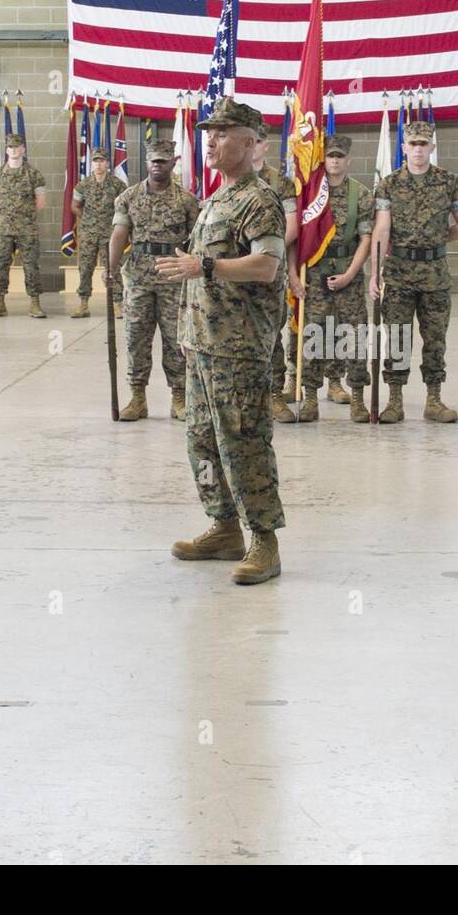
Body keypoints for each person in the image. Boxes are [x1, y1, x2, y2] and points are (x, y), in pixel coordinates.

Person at [158, 98, 286, 585]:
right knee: (202, 442)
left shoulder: (259, 200)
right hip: (202, 344)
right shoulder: (214, 199)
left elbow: (266, 266)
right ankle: (224, 528)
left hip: (238, 348)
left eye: (224, 132)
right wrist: (187, 333)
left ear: (251, 142)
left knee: (244, 443)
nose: (210, 139)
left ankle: (264, 542)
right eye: (208, 131)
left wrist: (204, 265)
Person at [369, 121, 458, 423]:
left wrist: (437, 241)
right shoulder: (389, 184)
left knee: (435, 338)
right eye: (412, 144)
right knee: (398, 336)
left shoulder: (448, 182)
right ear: (404, 148)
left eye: (423, 144)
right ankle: (395, 401)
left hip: (435, 273)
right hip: (399, 272)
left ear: (432, 148)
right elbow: (382, 228)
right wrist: (375, 273)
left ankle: (434, 400)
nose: (418, 149)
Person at [284, 134, 375, 422]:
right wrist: (292, 276)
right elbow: (294, 240)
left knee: (355, 335)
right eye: (330, 156)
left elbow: (367, 238)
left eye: (339, 156)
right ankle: (310, 398)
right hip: (314, 272)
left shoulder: (359, 194)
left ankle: (358, 398)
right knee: (313, 336)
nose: (334, 160)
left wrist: (350, 274)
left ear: (348, 160)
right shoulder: (310, 195)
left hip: (349, 271)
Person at [110, 139, 201, 422]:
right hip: (138, 276)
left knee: (176, 339)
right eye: (152, 161)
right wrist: (110, 269)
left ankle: (178, 397)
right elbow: (119, 234)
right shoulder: (129, 196)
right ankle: (137, 398)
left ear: (173, 163)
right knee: (136, 335)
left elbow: (197, 241)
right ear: (146, 162)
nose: (156, 166)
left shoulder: (186, 200)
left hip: (174, 276)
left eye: (162, 161)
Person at [254, 125, 298, 424]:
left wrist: (263, 254)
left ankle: (275, 396)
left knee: (271, 336)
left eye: (257, 141)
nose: (252, 147)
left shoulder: (280, 183)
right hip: (234, 272)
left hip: (269, 271)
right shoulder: (224, 178)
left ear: (265, 145)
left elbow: (292, 227)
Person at [0, 133, 47, 318]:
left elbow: (41, 202)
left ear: (23, 150)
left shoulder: (34, 174)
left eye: (17, 147)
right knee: (0, 265)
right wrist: (10, 214)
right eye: (10, 147)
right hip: (4, 228)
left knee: (31, 265)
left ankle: (34, 303)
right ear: (6, 150)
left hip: (27, 228)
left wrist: (23, 214)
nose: (13, 150)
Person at [70, 148, 126, 319]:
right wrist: (88, 219)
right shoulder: (83, 185)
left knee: (113, 268)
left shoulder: (117, 184)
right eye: (95, 161)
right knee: (85, 268)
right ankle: (83, 304)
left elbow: (125, 208)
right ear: (91, 164)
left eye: (102, 161)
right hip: (88, 234)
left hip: (110, 233)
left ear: (107, 163)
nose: (99, 164)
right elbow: (75, 206)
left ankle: (118, 304)